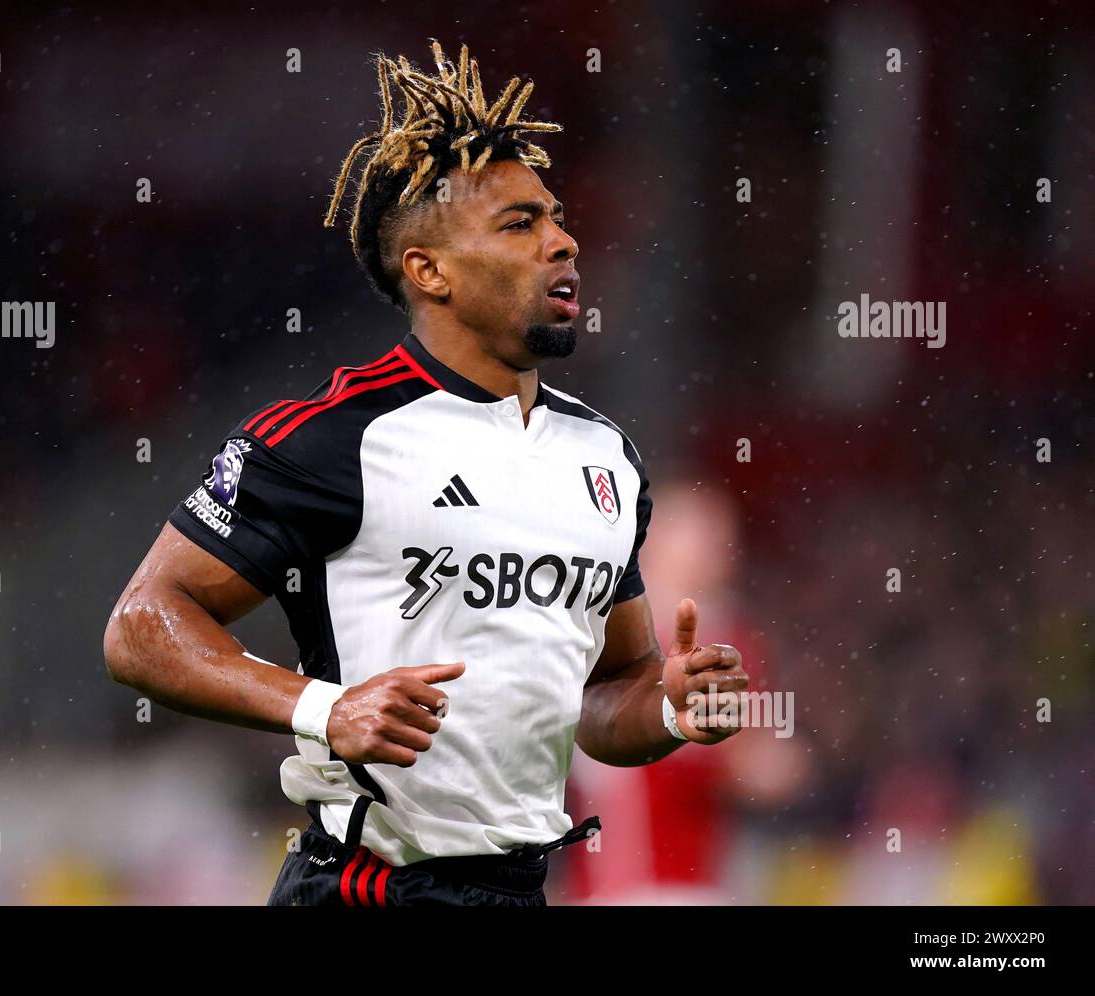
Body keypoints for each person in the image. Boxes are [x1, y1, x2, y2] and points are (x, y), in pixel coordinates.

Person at [103, 40, 749, 907]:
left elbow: (605, 697)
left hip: (521, 893)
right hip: (368, 890)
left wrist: (667, 706)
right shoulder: (332, 437)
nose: (563, 241)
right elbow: (141, 627)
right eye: (521, 224)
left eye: (556, 217)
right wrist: (322, 708)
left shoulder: (606, 459)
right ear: (429, 270)